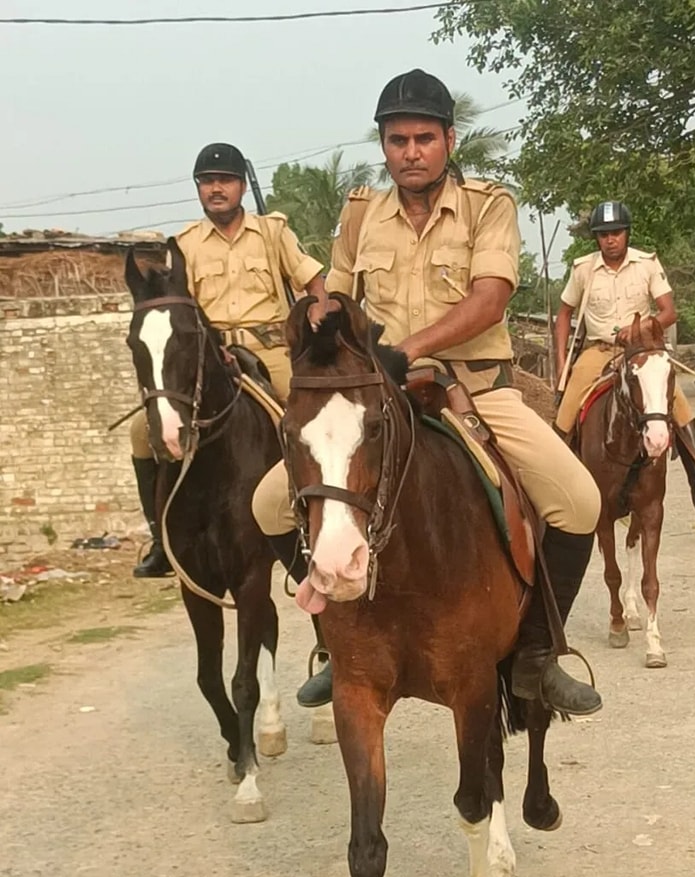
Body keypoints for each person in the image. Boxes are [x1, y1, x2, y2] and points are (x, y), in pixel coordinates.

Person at [252, 68, 604, 718]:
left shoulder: (488, 203)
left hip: (471, 389)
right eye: (396, 139)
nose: (409, 151)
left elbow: (491, 297)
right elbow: (339, 298)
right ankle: (333, 639)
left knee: (579, 500)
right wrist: (315, 320)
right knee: (270, 501)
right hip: (379, 400)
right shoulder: (360, 213)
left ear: (448, 139)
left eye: (422, 137)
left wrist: (407, 351)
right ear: (382, 145)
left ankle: (536, 654)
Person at [129, 142, 326, 576]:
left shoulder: (273, 233)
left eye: (225, 181)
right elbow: (178, 309)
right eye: (207, 182)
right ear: (199, 189)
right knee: (143, 432)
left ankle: (316, 528)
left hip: (272, 349)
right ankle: (162, 538)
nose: (216, 189)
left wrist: (317, 320)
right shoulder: (183, 244)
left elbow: (314, 282)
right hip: (213, 357)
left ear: (240, 186)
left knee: (304, 426)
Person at [553, 202, 695, 513]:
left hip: (643, 348)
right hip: (600, 350)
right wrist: (560, 365)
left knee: (678, 403)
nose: (611, 240)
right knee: (565, 412)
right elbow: (564, 314)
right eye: (604, 234)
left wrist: (640, 327)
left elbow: (669, 312)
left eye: (617, 233)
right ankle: (557, 487)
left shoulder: (647, 263)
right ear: (596, 238)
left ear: (627, 233)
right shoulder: (583, 269)